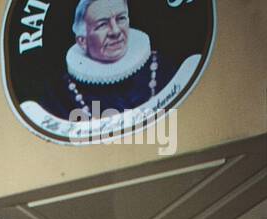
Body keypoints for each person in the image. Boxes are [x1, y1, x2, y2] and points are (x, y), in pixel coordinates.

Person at [38, 0, 198, 125]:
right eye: (102, 24)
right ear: (82, 41)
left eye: (121, 19)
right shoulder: (59, 97)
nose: (115, 31)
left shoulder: (164, 69)